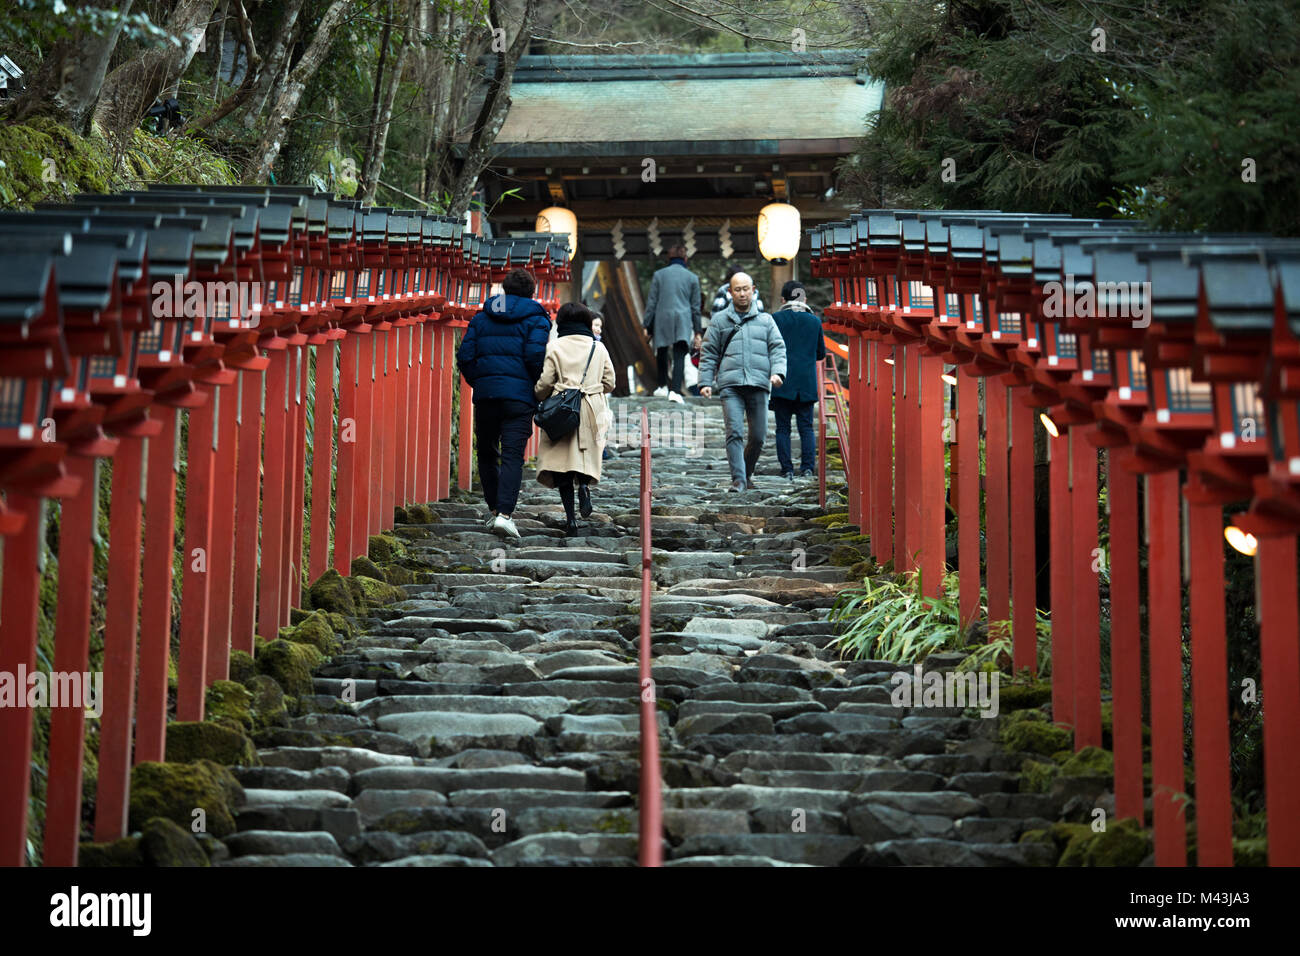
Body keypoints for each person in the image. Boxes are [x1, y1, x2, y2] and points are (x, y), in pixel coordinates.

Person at [455, 268, 552, 541]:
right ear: (531, 292)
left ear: (504, 291)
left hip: (486, 396)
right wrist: (535, 387)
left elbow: (465, 356)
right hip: (519, 398)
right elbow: (535, 355)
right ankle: (505, 515)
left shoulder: (482, 317)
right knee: (512, 455)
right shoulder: (537, 319)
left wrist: (481, 380)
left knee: (486, 451)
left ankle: (495, 507)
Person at [698, 271, 787, 492]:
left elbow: (778, 348)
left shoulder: (766, 321)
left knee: (758, 437)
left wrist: (778, 372)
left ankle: (746, 473)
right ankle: (738, 480)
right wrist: (705, 382)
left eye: (746, 289)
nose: (742, 294)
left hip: (758, 384)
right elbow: (708, 353)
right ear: (730, 292)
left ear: (753, 289)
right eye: (737, 289)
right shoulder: (719, 321)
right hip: (730, 385)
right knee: (734, 432)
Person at [534, 303, 617, 535]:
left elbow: (545, 382)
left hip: (561, 410)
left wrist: (539, 395)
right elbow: (611, 382)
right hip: (591, 408)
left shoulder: (555, 346)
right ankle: (583, 486)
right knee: (583, 458)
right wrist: (590, 388)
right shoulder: (597, 348)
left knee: (562, 466)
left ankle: (571, 519)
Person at [769, 280, 826, 479]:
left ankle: (787, 469)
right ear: (804, 299)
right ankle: (808, 468)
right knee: (806, 428)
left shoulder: (774, 319)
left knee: (783, 428)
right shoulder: (814, 321)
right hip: (806, 383)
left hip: (781, 381)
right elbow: (820, 354)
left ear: (783, 299)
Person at [642, 242, 701, 404]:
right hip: (683, 318)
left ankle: (661, 386)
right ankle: (675, 391)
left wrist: (647, 325)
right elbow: (696, 308)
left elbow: (652, 302)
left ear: (669, 258)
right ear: (685, 258)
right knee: (679, 353)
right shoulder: (692, 278)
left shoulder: (659, 275)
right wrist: (697, 332)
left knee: (661, 351)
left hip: (662, 317)